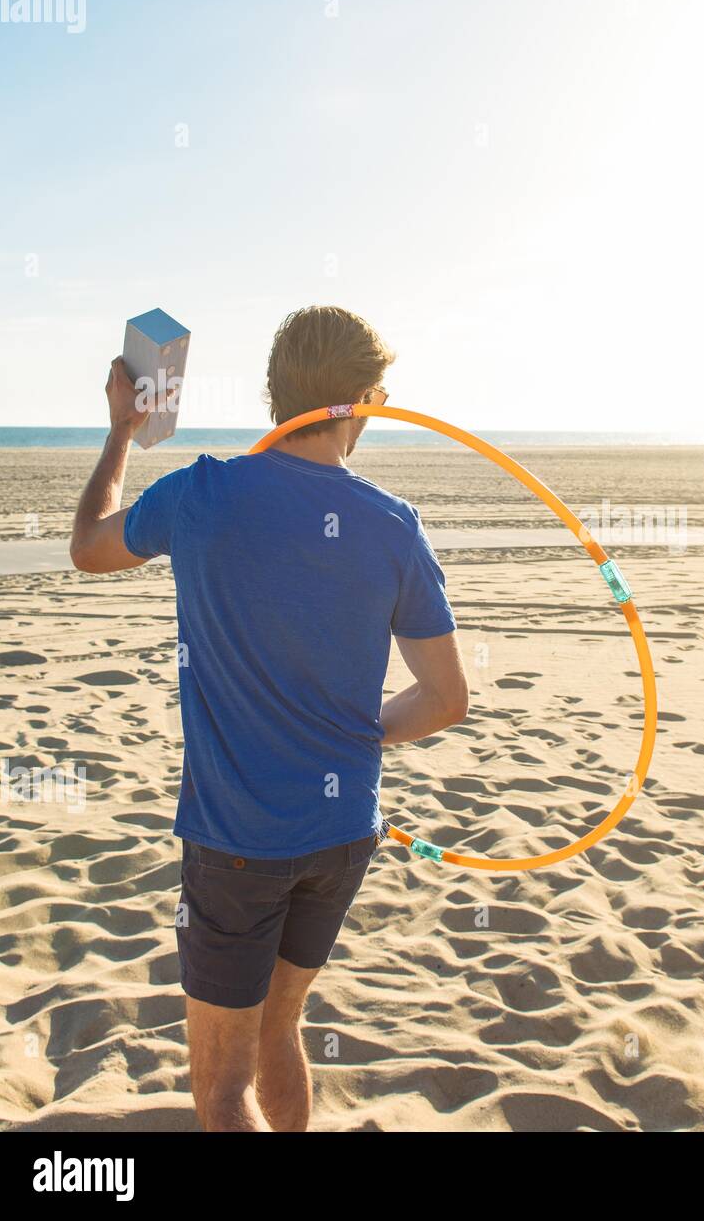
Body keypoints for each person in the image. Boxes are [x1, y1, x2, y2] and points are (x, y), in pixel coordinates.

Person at [69, 305, 469, 1131]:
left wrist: (119, 432)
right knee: (280, 1026)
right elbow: (445, 699)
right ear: (363, 401)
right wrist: (353, 738)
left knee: (220, 1086)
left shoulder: (201, 493)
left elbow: (87, 547)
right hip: (343, 832)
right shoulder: (395, 525)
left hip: (238, 841)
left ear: (273, 394)